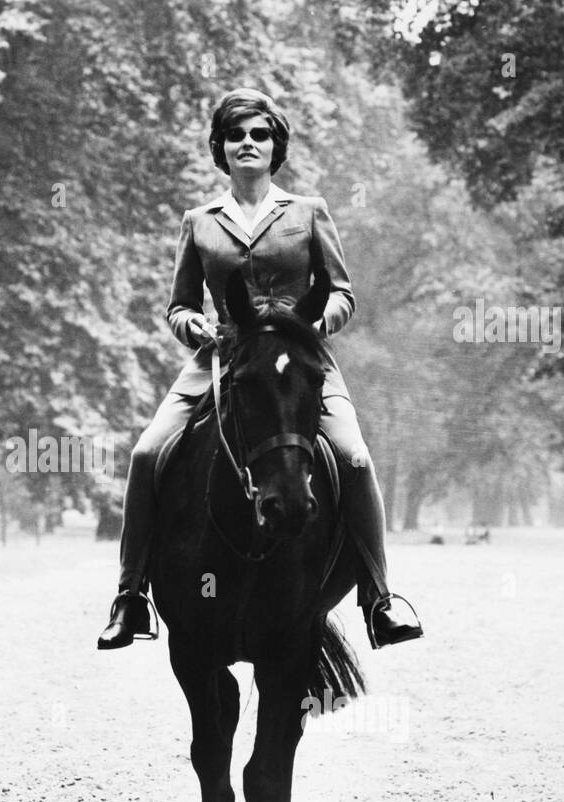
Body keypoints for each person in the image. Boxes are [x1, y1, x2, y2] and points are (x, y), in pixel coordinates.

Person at [97, 88, 422, 651]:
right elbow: (178, 304)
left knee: (355, 455)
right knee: (148, 452)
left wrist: (317, 325)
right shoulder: (198, 221)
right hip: (220, 360)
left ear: (276, 147)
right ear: (220, 149)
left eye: (260, 135)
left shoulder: (309, 212)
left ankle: (379, 597)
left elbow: (342, 291)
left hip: (300, 359)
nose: (248, 144)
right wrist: (190, 326)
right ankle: (131, 596)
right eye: (236, 136)